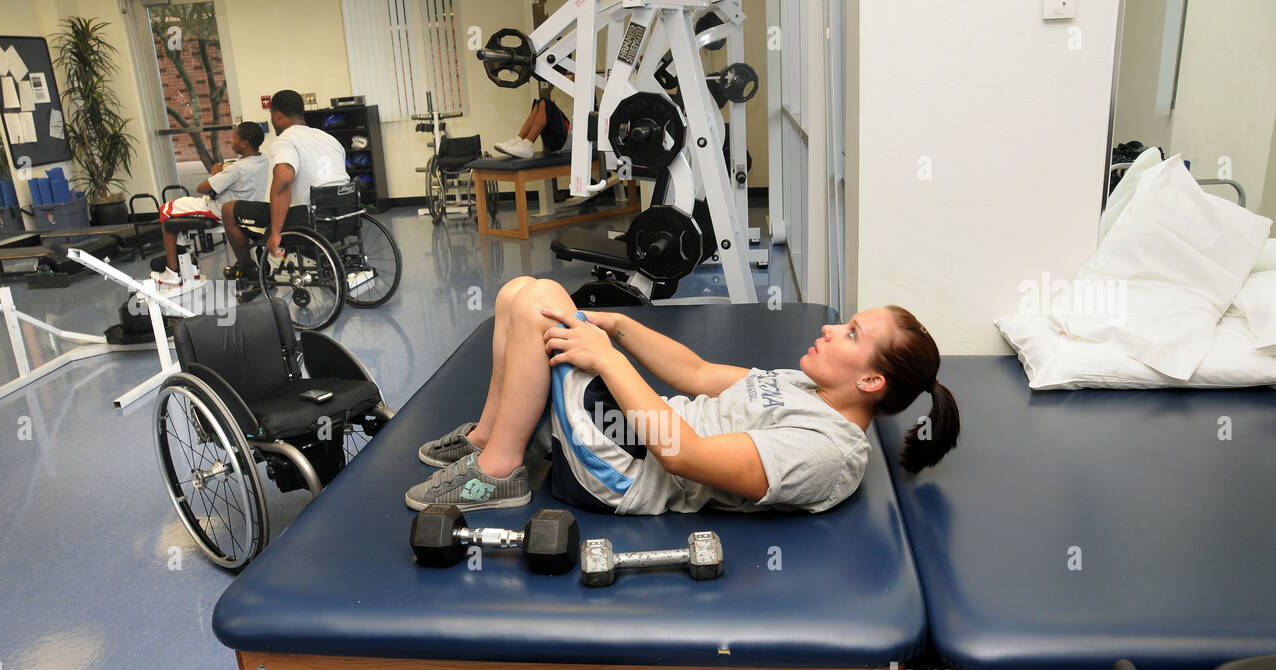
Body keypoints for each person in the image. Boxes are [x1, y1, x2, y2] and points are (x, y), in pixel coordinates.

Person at [405, 277, 960, 515]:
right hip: (633, 432)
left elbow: (685, 456)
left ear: (870, 382)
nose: (833, 330)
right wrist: (618, 326)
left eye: (854, 335)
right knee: (518, 292)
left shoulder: (826, 451)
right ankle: (487, 437)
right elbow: (696, 372)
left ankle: (499, 470)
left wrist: (607, 359)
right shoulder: (808, 387)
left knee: (540, 304)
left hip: (627, 473)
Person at [221, 89, 348, 280]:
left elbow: (282, 183)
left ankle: (250, 271)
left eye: (272, 116)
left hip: (307, 219)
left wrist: (276, 233)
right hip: (343, 215)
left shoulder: (286, 140)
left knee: (229, 210)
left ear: (277, 116)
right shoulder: (328, 138)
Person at [151, 121, 267, 288]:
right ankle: (191, 266)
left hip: (218, 210)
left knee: (166, 210)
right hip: (247, 209)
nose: (231, 140)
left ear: (244, 143)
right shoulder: (263, 160)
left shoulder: (236, 169)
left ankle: (172, 272)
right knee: (178, 217)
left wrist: (215, 174)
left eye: (234, 137)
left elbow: (202, 188)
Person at [494, 86, 570, 160]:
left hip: (567, 142)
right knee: (538, 104)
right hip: (557, 142)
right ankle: (518, 141)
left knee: (546, 104)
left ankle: (527, 144)